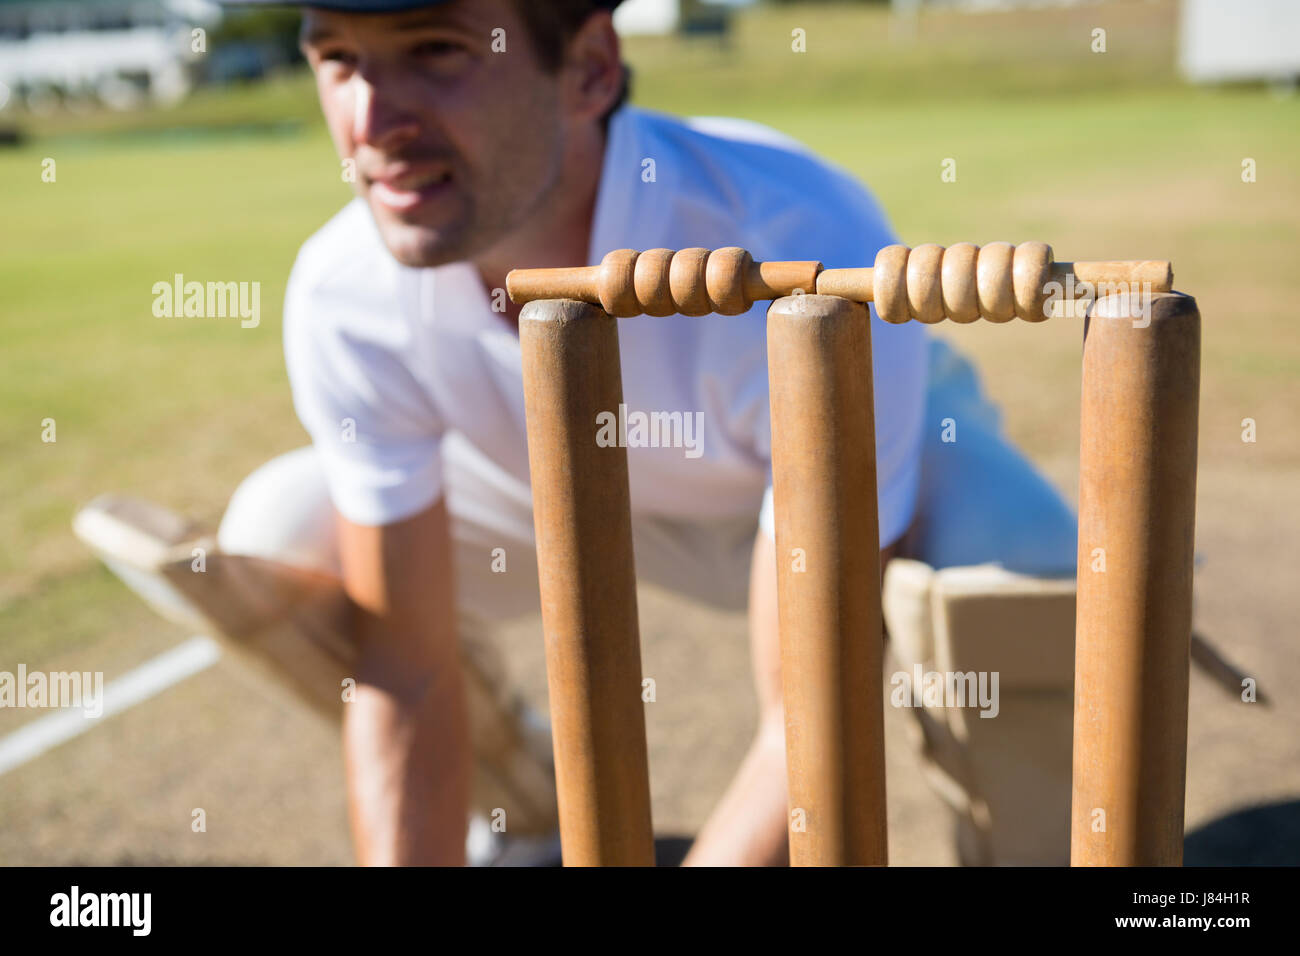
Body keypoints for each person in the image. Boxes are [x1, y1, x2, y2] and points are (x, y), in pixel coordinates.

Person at [215, 0, 1077, 865]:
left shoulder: (790, 235)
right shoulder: (344, 292)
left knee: (1020, 568)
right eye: (337, 58)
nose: (370, 120)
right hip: (566, 508)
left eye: (436, 51)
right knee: (282, 529)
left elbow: (812, 707)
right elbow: (406, 670)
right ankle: (526, 805)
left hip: (819, 501)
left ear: (589, 69)